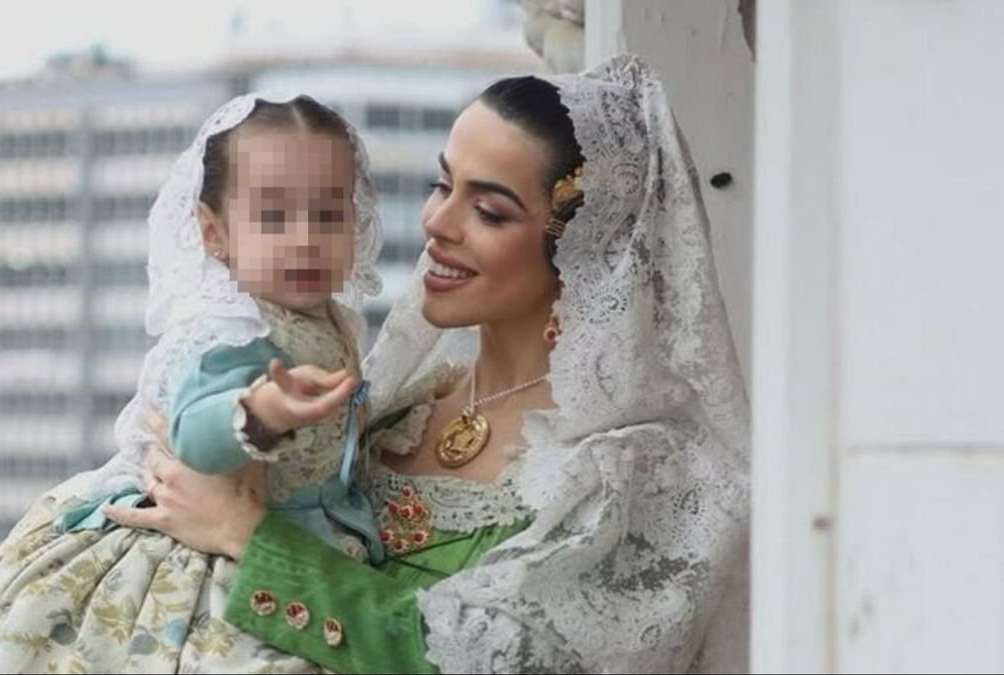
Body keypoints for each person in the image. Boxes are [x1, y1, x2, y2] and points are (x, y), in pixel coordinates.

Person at [109, 54, 752, 673]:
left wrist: (247, 539)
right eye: (442, 184)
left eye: (489, 210)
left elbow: (495, 661)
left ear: (590, 251)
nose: (436, 222)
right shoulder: (399, 407)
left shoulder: (630, 471)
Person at [0, 92, 386, 673]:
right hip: (207, 555)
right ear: (214, 233)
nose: (305, 238)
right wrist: (261, 412)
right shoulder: (228, 325)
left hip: (297, 543)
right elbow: (194, 427)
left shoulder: (330, 319)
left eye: (328, 214)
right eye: (273, 217)